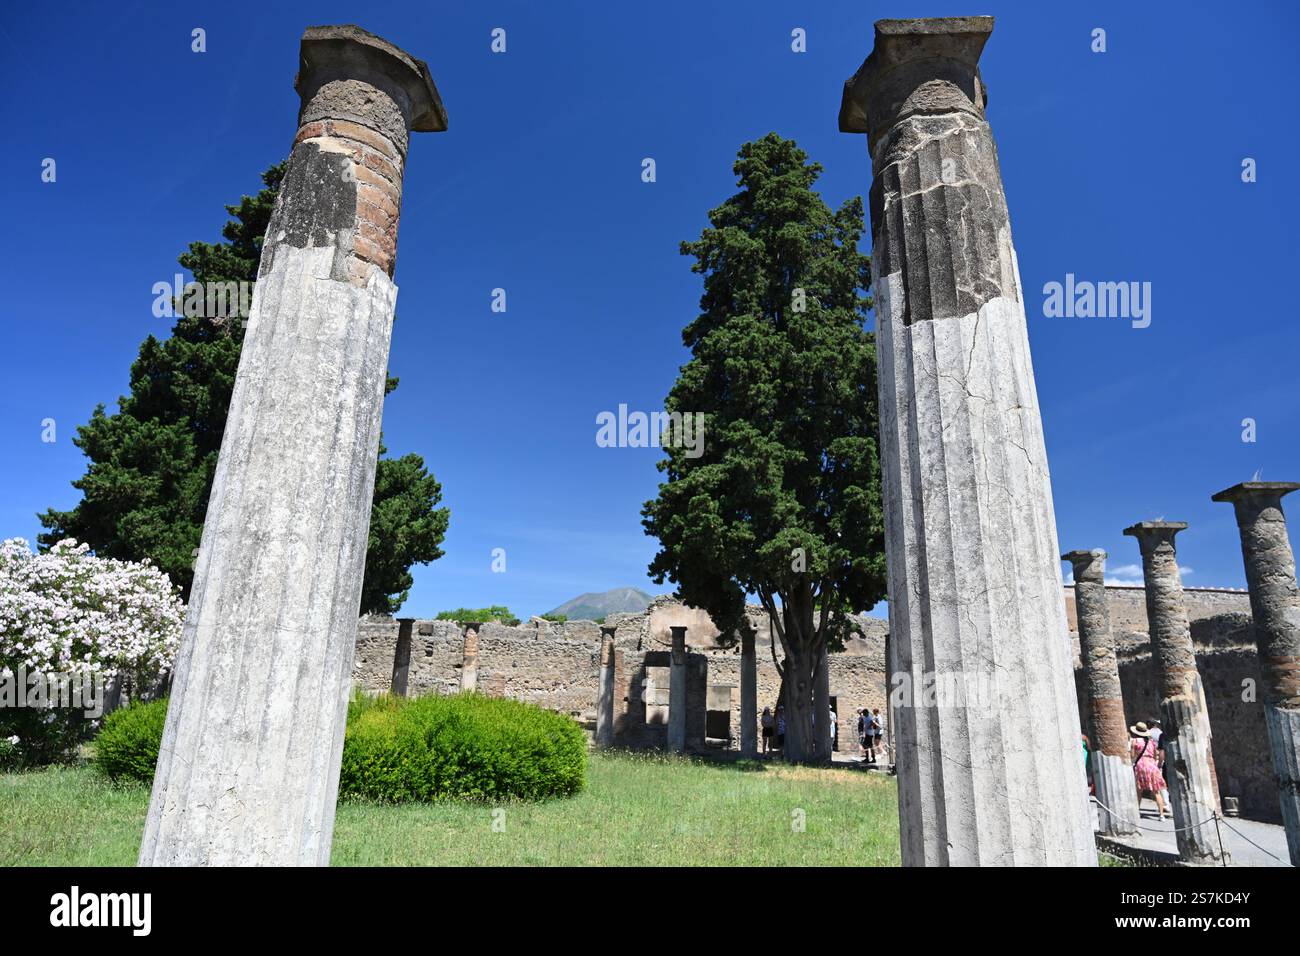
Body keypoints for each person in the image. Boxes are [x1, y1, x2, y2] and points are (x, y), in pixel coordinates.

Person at [1130, 722, 1167, 820]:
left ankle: (1137, 811)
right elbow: (1155, 755)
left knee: (1139, 790)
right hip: (1152, 764)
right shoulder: (1151, 742)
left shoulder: (1135, 741)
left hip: (1141, 764)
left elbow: (1132, 755)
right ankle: (1161, 815)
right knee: (1156, 791)